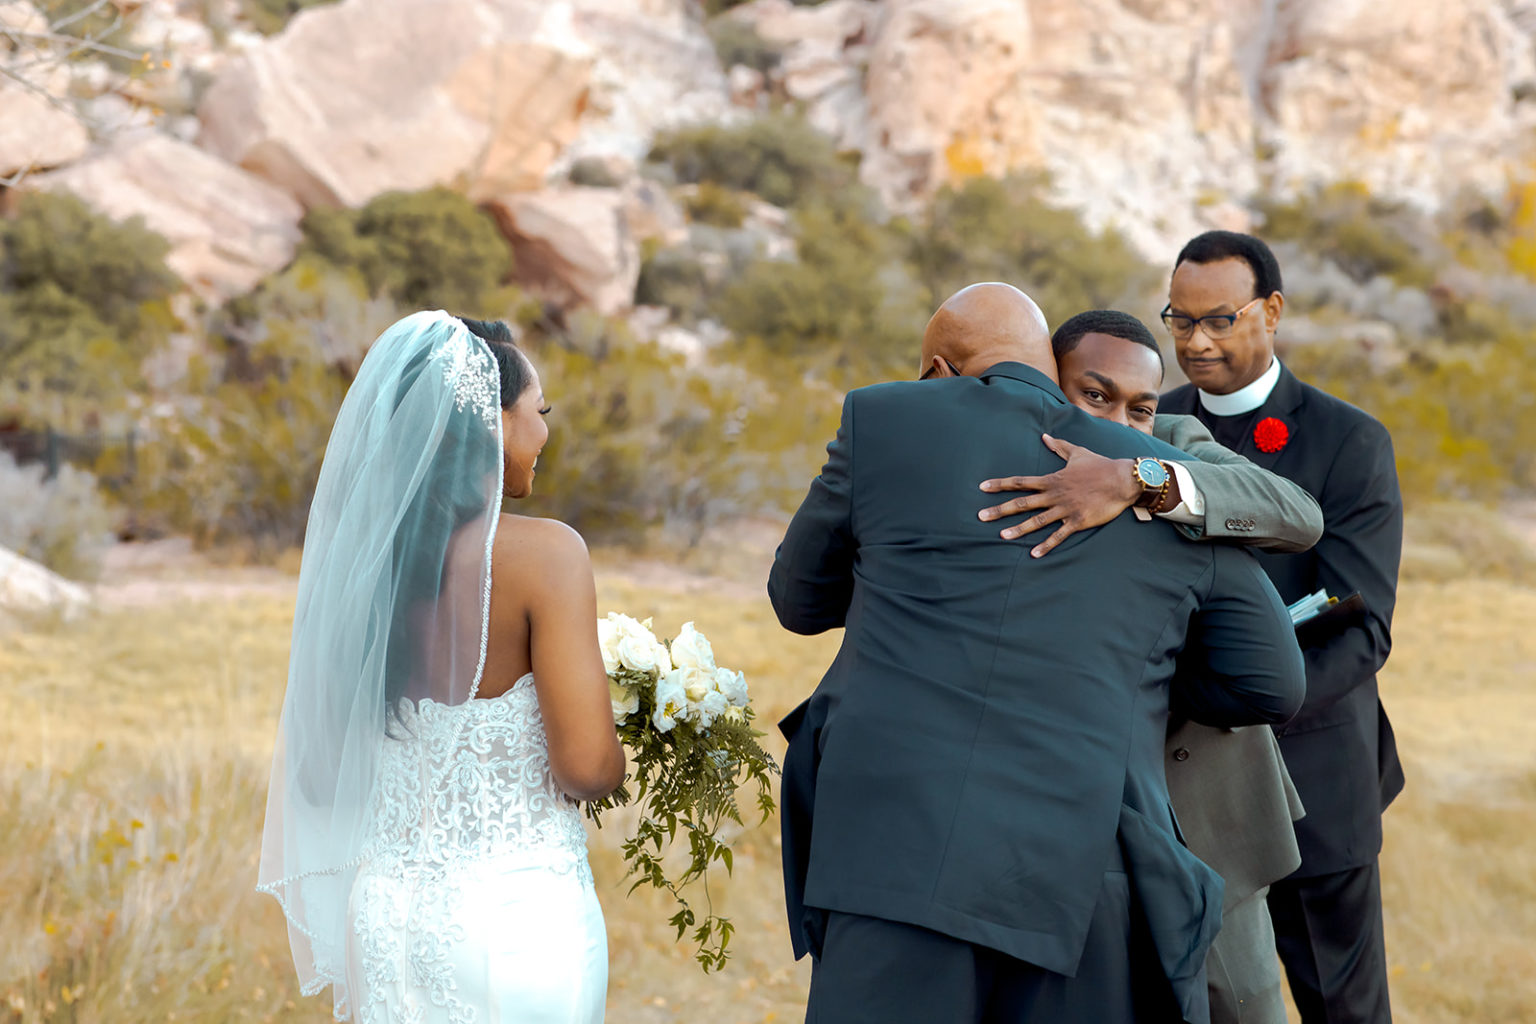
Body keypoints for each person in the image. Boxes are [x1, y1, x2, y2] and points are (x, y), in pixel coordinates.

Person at [769, 282, 1306, 1023]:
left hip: (892, 853)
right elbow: (1271, 681)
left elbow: (799, 602)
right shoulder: (1155, 487)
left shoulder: (883, 420)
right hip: (1085, 870)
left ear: (935, 371)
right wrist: (1129, 681)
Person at [257, 311, 625, 1023]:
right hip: (514, 928)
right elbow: (586, 768)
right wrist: (624, 731)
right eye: (537, 412)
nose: (545, 431)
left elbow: (318, 778)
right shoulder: (547, 556)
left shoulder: (368, 573)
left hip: (383, 922)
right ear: (491, 420)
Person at [975, 308, 1315, 1023]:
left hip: (1197, 804)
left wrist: (1141, 478)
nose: (1122, 420)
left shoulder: (1167, 444)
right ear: (1046, 384)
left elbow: (1295, 513)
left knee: (1240, 1007)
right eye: (1094, 397)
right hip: (1045, 827)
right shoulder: (991, 464)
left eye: (1140, 407)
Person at [1157, 231, 1405, 1024]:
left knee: (1344, 1010)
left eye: (1220, 320)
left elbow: (1362, 627)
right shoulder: (1145, 424)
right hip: (1177, 788)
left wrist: (1252, 701)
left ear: (1271, 311)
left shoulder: (1350, 441)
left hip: (1313, 786)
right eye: (1179, 320)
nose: (1196, 341)